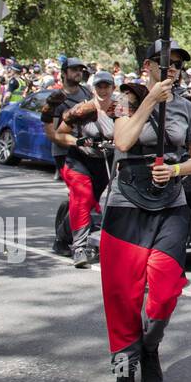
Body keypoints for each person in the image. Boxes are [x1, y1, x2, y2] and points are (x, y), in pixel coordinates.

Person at [102, 41, 191, 382]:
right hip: (125, 206)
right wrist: (150, 101)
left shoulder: (187, 108)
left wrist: (175, 169)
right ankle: (123, 372)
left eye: (178, 65)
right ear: (148, 65)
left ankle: (149, 346)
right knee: (121, 298)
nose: (174, 70)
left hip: (171, 204)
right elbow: (123, 141)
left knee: (165, 290)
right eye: (167, 63)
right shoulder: (126, 99)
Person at [54, 70, 117, 267]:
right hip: (78, 161)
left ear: (113, 88)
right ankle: (79, 249)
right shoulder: (81, 110)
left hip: (104, 163)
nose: (103, 90)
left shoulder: (120, 110)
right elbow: (59, 135)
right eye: (99, 86)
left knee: (87, 204)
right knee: (83, 198)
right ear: (93, 88)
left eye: (107, 86)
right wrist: (78, 141)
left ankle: (61, 237)